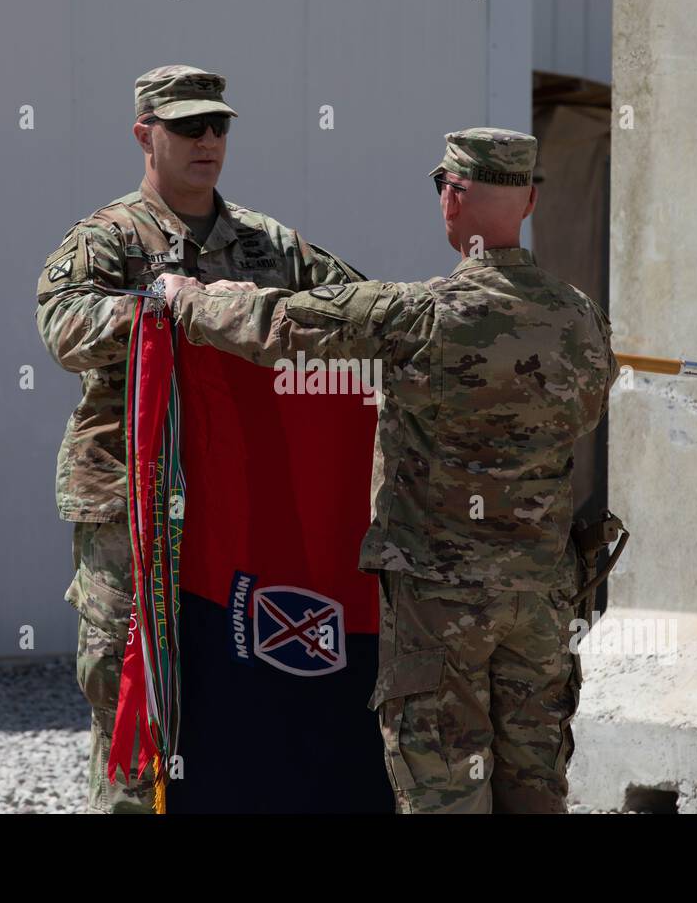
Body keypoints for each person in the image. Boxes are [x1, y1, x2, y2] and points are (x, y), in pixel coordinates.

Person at [163, 128, 618, 813]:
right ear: (527, 202)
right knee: (536, 787)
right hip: (542, 598)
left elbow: (278, 324)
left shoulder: (416, 315)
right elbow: (585, 409)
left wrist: (184, 297)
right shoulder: (581, 317)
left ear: (452, 199)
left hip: (441, 604)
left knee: (442, 790)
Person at [35, 65, 364, 813]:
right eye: (187, 127)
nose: (207, 140)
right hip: (135, 504)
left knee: (236, 688)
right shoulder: (108, 238)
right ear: (144, 134)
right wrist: (162, 306)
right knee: (131, 692)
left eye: (218, 126)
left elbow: (353, 312)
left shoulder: (266, 242)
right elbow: (63, 329)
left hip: (243, 508)